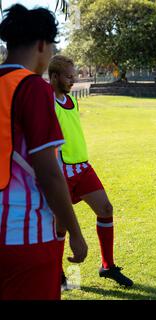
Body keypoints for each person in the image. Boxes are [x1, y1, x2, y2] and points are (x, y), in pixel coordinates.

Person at [0, 4, 87, 300]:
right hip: (24, 237)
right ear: (41, 45)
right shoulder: (33, 87)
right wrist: (75, 232)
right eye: (51, 48)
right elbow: (49, 172)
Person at [48, 55, 133, 288]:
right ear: (54, 77)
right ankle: (56, 273)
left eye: (74, 75)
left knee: (106, 209)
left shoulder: (71, 100)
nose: (73, 80)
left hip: (83, 167)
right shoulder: (46, 100)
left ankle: (107, 266)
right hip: (60, 170)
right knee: (60, 225)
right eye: (68, 76)